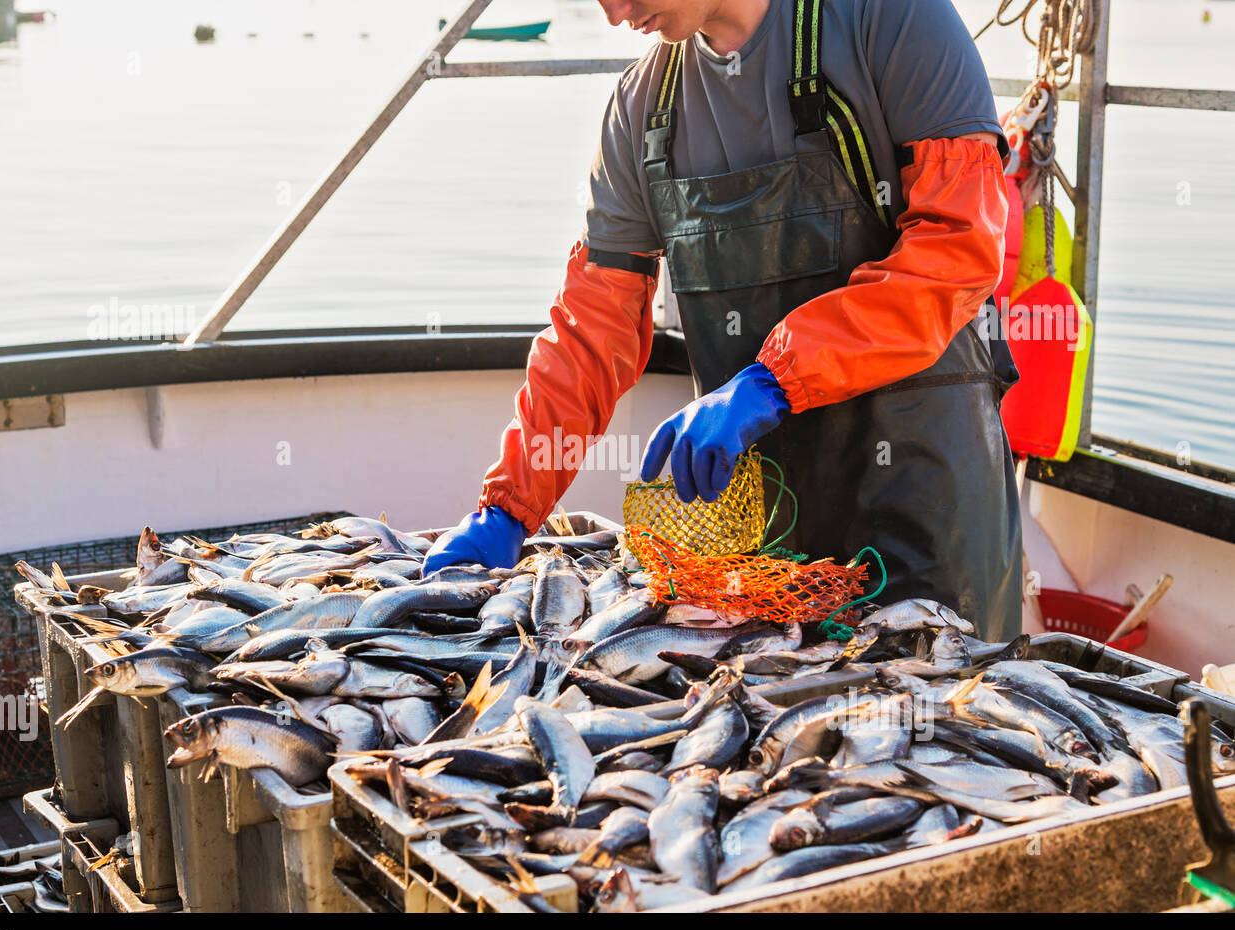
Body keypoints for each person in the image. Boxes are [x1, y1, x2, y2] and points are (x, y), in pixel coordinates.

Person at [423, 0, 1023, 640]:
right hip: (765, 531)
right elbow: (592, 327)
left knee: (938, 720)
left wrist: (774, 377)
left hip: (926, 500)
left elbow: (957, 251)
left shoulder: (894, 19)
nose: (616, 15)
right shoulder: (641, 109)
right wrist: (511, 506)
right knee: (773, 730)